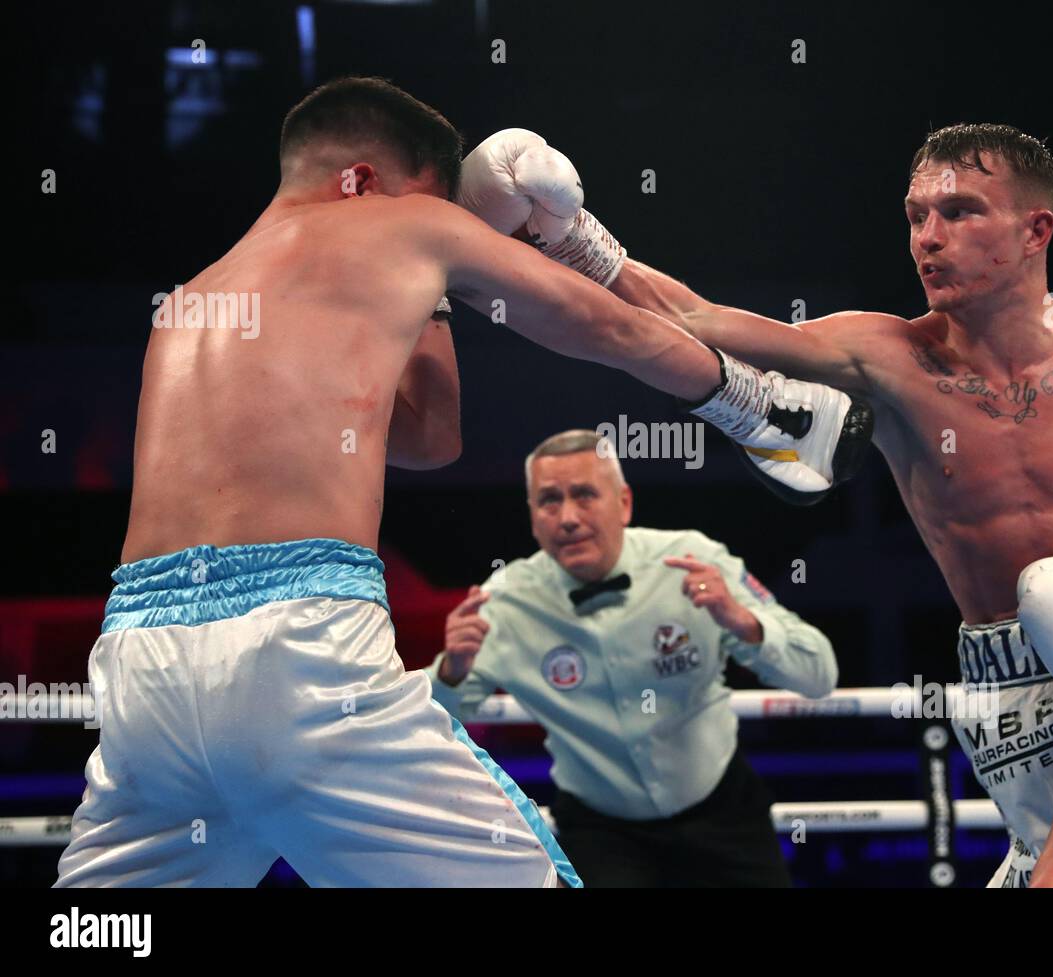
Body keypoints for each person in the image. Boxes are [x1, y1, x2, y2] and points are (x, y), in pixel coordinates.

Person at [53, 76, 864, 888]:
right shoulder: (403, 221)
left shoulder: (188, 303)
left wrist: (432, 294)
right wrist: (760, 407)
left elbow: (430, 438)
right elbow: (606, 323)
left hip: (137, 668)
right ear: (363, 181)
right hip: (298, 650)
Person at [458, 123, 1053, 887]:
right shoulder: (887, 356)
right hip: (1001, 697)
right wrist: (568, 233)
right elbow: (691, 322)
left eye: (959, 211)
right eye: (917, 215)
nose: (929, 235)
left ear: (1036, 229)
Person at [425, 429, 837, 886]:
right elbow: (430, 727)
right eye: (549, 501)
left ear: (623, 503)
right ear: (533, 517)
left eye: (584, 495)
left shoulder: (694, 560)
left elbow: (818, 674)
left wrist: (744, 623)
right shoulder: (502, 605)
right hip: (601, 831)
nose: (567, 518)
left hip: (724, 812)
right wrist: (451, 671)